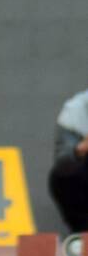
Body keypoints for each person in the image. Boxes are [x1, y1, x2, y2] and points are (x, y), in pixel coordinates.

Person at [49, 88, 88, 233]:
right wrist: (80, 149)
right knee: (66, 177)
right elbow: (62, 163)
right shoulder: (76, 110)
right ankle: (83, 236)